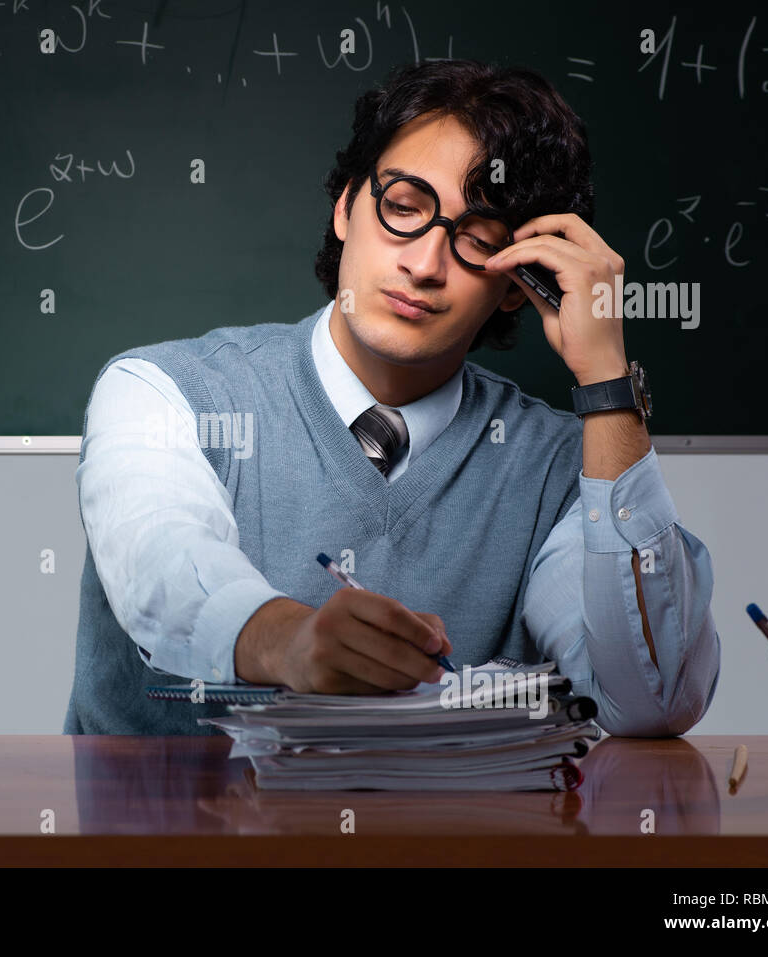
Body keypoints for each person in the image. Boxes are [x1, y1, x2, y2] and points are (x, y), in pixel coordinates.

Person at [63, 59, 720, 737]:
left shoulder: (555, 470)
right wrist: (291, 642)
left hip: (440, 845)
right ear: (345, 206)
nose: (425, 263)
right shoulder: (163, 394)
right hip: (166, 844)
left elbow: (649, 699)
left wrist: (606, 380)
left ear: (519, 281)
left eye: (477, 241)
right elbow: (162, 564)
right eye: (404, 206)